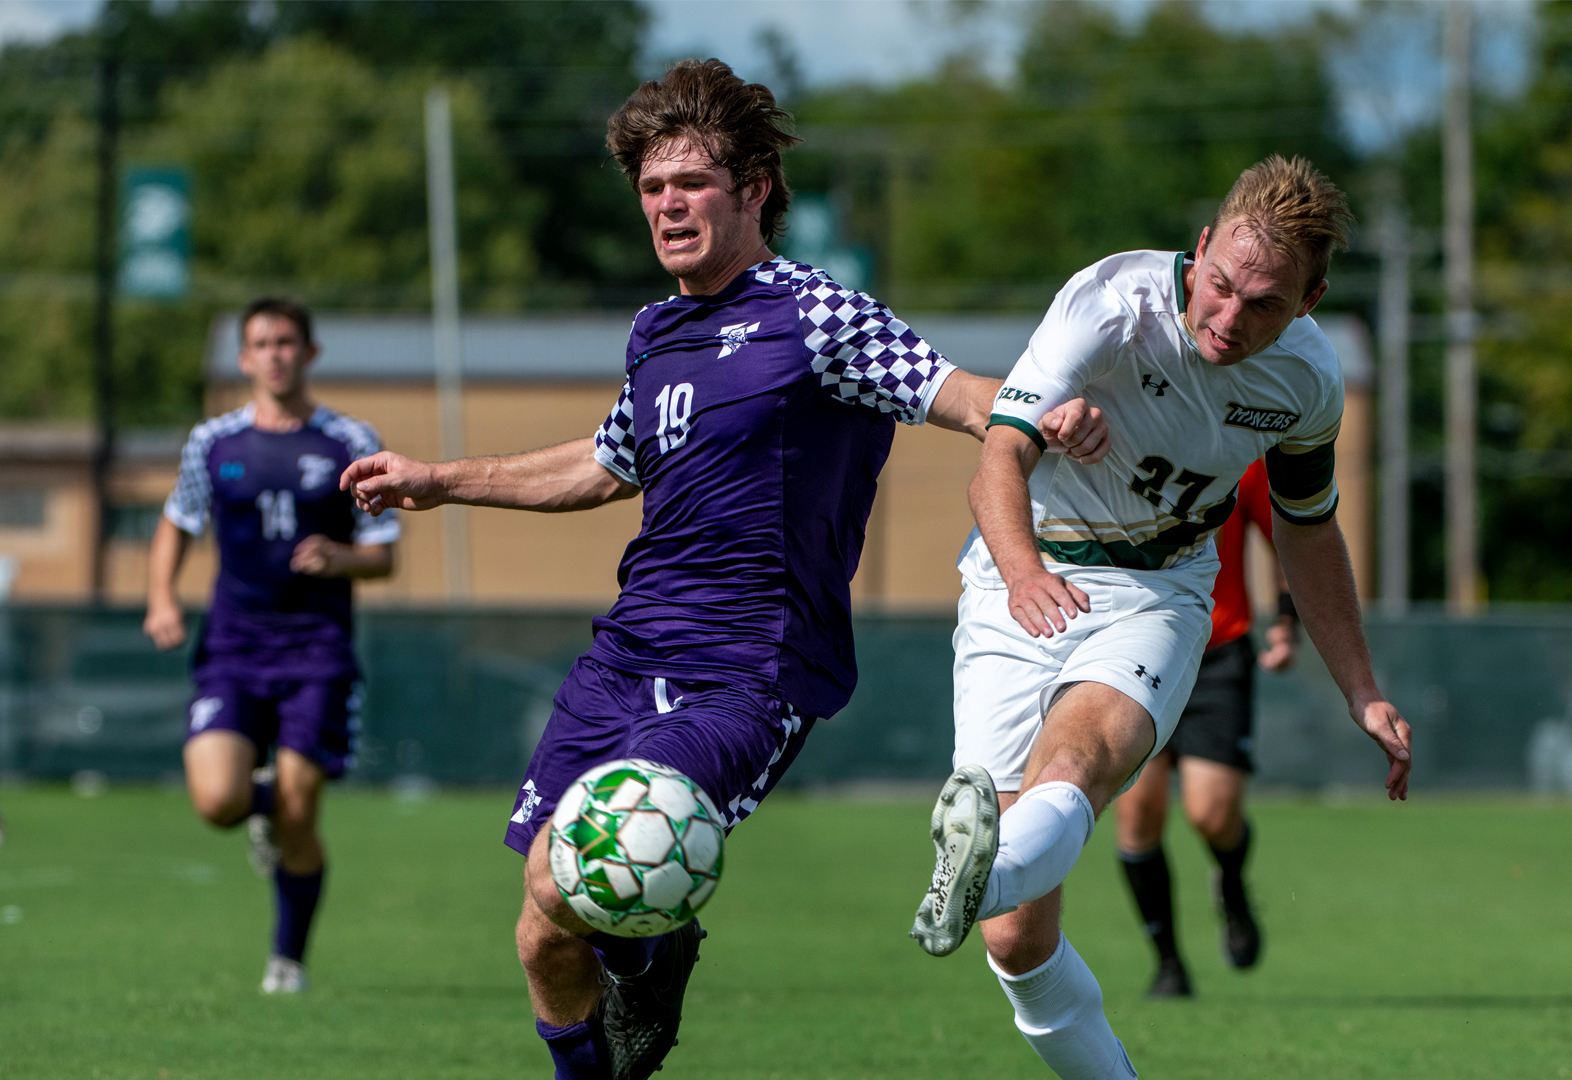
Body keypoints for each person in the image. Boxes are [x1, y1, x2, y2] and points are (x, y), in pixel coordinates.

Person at [338, 59, 1107, 1080]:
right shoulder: (655, 332)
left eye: (692, 183)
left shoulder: (819, 317)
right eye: (652, 187)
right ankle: (645, 965)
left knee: (582, 882)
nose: (668, 205)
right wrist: (440, 479)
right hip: (623, 656)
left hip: (749, 669)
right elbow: (602, 463)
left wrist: (1042, 413)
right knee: (540, 921)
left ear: (753, 191)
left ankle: (650, 952)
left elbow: (955, 392)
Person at [910, 155, 1413, 1080]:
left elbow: (1307, 530)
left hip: (1159, 591)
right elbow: (998, 459)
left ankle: (977, 867)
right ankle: (990, 881)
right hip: (1020, 575)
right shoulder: (1109, 302)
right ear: (1202, 246)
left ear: (1309, 301)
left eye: (1264, 304)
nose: (1229, 318)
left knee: (1077, 762)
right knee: (1016, 938)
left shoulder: (1308, 381)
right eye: (1221, 284)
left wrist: (1361, 687)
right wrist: (1022, 574)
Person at [144, 297, 399, 994]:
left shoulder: (349, 440)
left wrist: (340, 558)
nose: (275, 355)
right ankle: (261, 809)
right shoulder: (213, 441)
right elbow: (177, 521)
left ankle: (287, 959)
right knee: (217, 801)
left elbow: (383, 556)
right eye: (261, 344)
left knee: (299, 813)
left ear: (309, 353)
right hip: (232, 649)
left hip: (316, 654)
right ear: (243, 358)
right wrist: (161, 597)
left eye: (286, 342)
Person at [1110, 457, 1297, 998]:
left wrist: (1286, 623)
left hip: (1218, 652)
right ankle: (1168, 963)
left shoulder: (1240, 452)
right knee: (1138, 814)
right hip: (1132, 650)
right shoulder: (1116, 444)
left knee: (1210, 814)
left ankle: (1232, 886)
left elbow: (1288, 536)